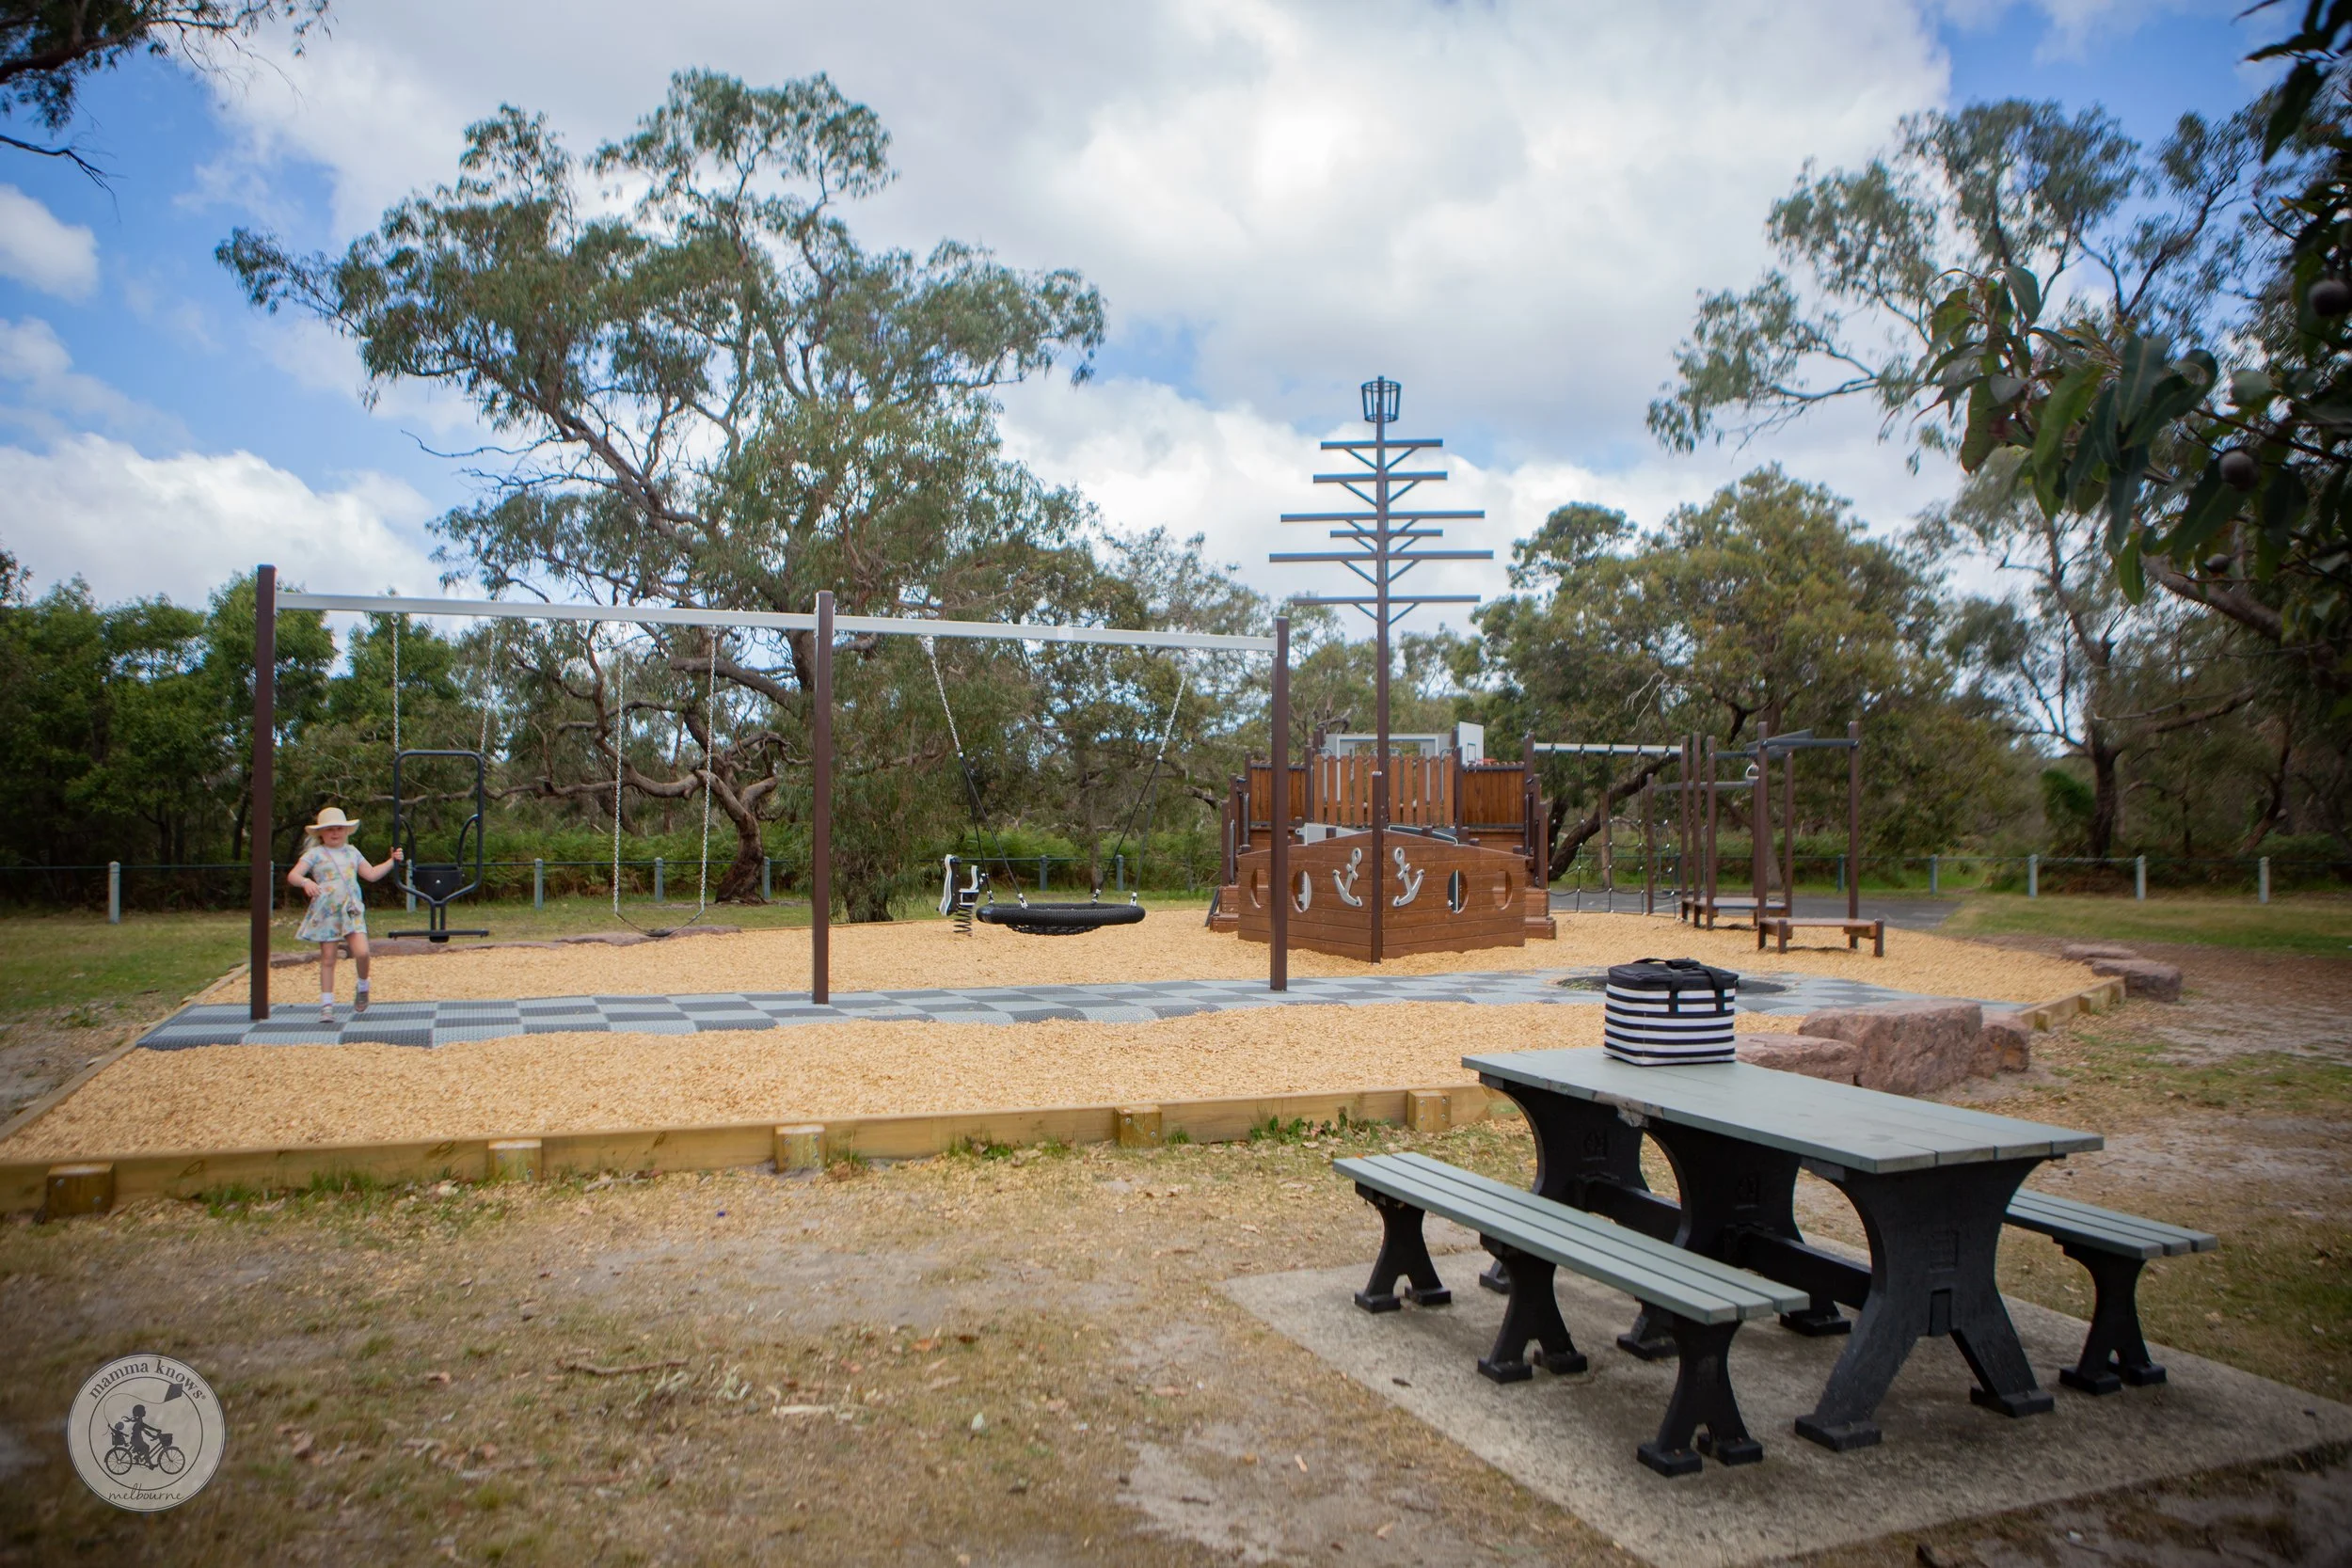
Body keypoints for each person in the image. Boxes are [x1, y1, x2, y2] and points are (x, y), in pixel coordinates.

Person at [287, 806, 402, 1023]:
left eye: (339, 828)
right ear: (321, 833)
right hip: (327, 911)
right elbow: (293, 875)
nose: (335, 833)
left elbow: (371, 874)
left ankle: (363, 985)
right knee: (328, 958)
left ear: (346, 831)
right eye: (330, 829)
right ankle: (327, 1005)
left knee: (362, 952)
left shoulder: (352, 852)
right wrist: (306, 882)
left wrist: (391, 861)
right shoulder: (315, 854)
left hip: (351, 909)